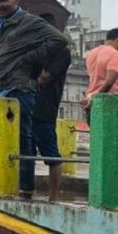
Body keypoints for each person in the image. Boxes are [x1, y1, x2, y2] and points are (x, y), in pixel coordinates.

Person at [0, 0, 69, 200]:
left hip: (19, 88)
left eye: (3, 0)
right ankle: (3, 187)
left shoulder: (29, 21)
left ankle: (26, 191)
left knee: (23, 141)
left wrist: (29, 57)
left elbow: (59, 40)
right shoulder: (0, 24)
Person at [32, 13, 72, 203]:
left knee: (51, 155)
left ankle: (53, 198)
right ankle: (26, 192)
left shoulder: (62, 52)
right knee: (24, 154)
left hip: (45, 109)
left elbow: (45, 78)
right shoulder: (34, 50)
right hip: (26, 107)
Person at [80, 28, 118, 121]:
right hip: (108, 102)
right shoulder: (116, 55)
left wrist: (91, 97)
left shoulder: (91, 53)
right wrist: (95, 98)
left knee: (95, 134)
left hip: (90, 101)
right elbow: (109, 82)